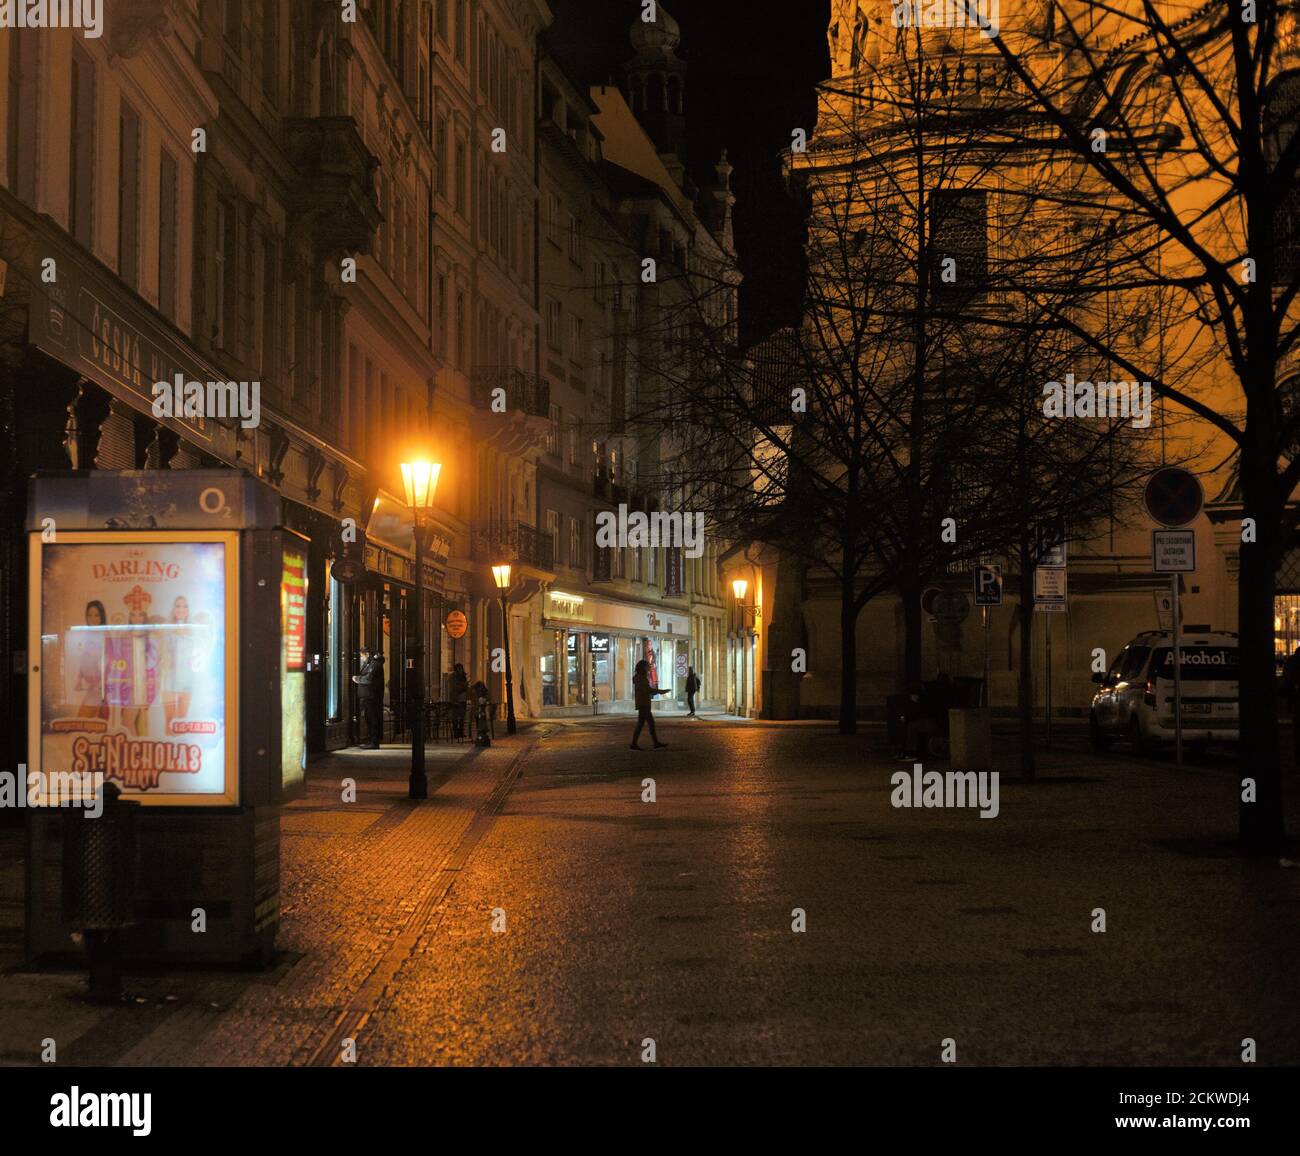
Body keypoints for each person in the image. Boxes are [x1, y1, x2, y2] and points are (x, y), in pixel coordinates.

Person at [630, 658, 670, 750]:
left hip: (643, 703)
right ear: (643, 667)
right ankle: (637, 744)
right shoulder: (641, 678)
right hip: (644, 703)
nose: (649, 668)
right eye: (647, 666)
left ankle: (636, 744)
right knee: (647, 723)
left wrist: (659, 691)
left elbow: (647, 690)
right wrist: (661, 691)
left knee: (643, 724)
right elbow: (648, 690)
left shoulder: (640, 677)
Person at [352, 647, 385, 748]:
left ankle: (374, 742)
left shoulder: (374, 665)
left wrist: (357, 679)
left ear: (366, 654)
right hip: (367, 696)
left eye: (362, 656)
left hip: (371, 697)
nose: (361, 658)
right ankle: (371, 740)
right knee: (369, 718)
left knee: (372, 719)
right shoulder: (369, 664)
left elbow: (369, 679)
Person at [450, 662, 469, 741]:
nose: (460, 670)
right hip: (456, 699)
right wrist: (464, 685)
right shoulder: (453, 677)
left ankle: (460, 732)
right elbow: (455, 687)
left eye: (461, 668)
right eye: (459, 668)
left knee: (462, 717)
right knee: (455, 717)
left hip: (463, 699)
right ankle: (456, 733)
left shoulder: (463, 676)